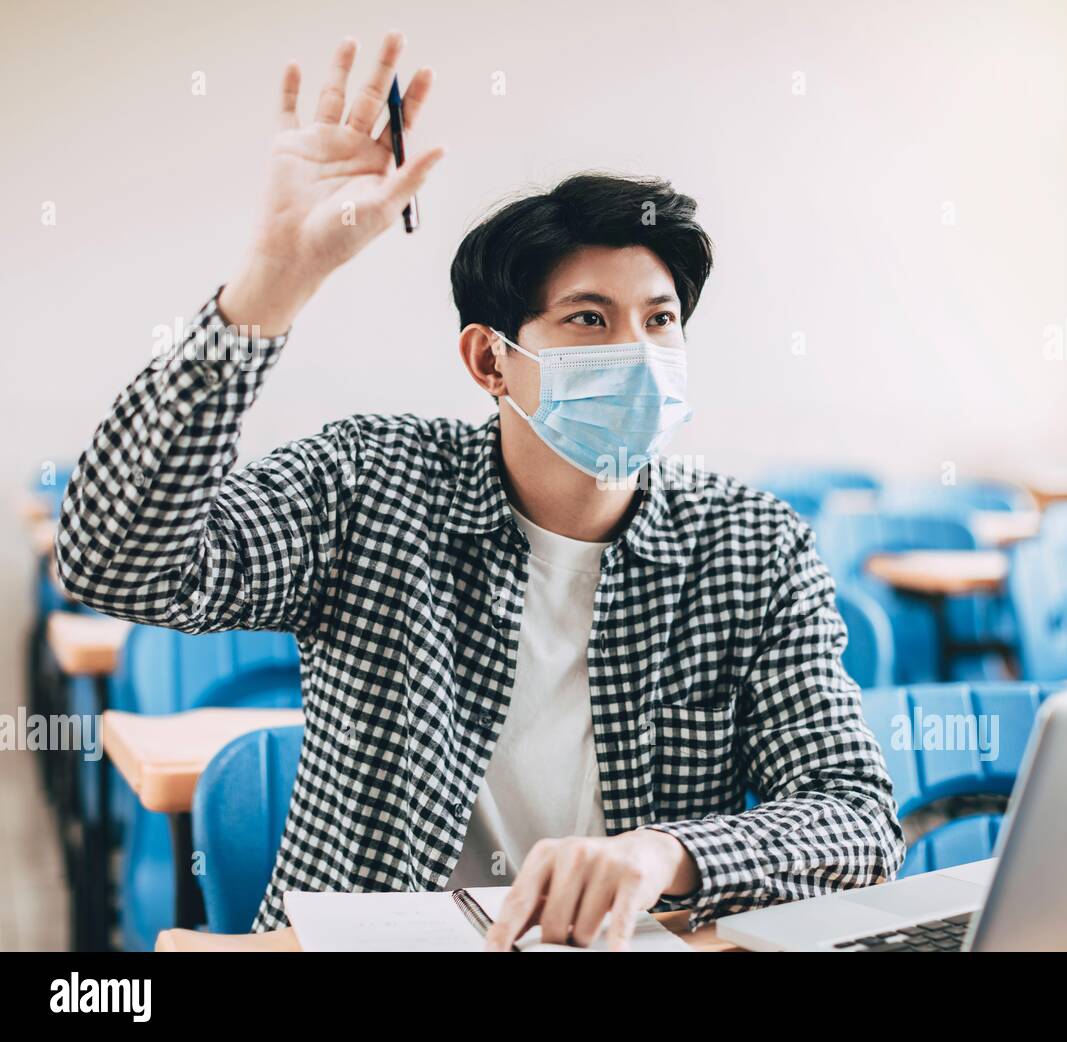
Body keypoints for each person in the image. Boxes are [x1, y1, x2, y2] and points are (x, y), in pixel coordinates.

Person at [55, 31, 904, 951]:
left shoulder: (752, 547)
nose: (638, 355)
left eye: (660, 322)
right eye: (589, 319)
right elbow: (118, 566)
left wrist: (663, 855)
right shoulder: (370, 488)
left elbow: (855, 816)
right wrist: (270, 284)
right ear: (490, 360)